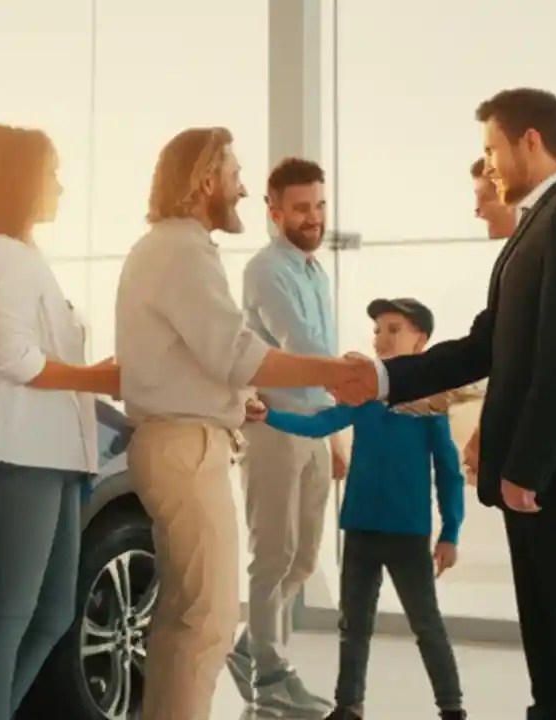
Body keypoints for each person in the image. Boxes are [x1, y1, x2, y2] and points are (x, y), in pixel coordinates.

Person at [333, 88, 556, 720]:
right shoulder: (535, 228)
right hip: (541, 478)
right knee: (552, 647)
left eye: (491, 147)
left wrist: (529, 465)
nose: (489, 164)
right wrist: (384, 377)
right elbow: (483, 348)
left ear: (530, 140)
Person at [114, 126, 366, 720]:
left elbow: (203, 357)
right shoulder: (183, 251)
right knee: (205, 622)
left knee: (193, 620)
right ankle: (266, 674)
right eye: (233, 175)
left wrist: (238, 398)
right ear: (206, 180)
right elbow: (236, 350)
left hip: (195, 437)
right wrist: (339, 371)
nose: (241, 187)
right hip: (185, 444)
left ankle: (258, 671)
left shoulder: (177, 249)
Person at [0, 124, 121, 720]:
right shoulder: (2, 256)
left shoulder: (22, 257)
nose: (61, 187)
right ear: (18, 180)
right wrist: (98, 377)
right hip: (23, 455)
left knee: (53, 615)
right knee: (8, 618)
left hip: (59, 455)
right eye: (51, 173)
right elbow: (14, 357)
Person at [248, 297, 467, 720]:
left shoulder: (431, 408)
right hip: (361, 530)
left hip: (408, 534)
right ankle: (349, 707)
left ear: (421, 340)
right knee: (353, 627)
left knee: (426, 624)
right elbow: (318, 425)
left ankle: (452, 708)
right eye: (378, 329)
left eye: (393, 329)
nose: (380, 338)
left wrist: (450, 531)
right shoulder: (364, 398)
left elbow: (449, 474)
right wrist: (267, 416)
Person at [226, 157, 342, 717]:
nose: (314, 216)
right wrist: (364, 384)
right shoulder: (266, 270)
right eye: (301, 207)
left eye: (319, 205)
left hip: (315, 428)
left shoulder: (315, 270)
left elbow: (321, 361)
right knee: (273, 555)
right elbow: (304, 345)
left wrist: (337, 431)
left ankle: (250, 652)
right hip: (272, 428)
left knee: (304, 557)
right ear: (274, 211)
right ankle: (269, 678)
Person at [461, 158, 519, 484]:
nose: (477, 210)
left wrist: (486, 434)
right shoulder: (513, 261)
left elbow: (526, 366)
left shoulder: (536, 261)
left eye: (485, 196)